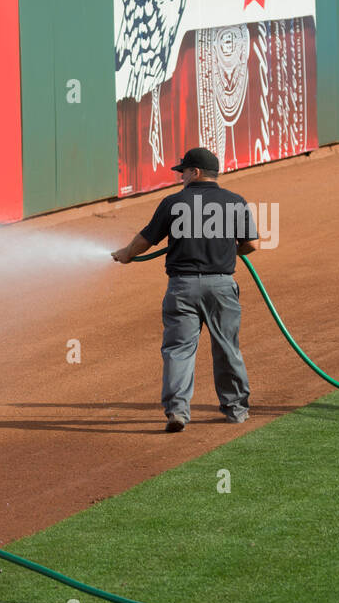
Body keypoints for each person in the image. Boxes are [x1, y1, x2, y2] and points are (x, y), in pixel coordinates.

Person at [110, 147, 258, 432]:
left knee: (178, 350)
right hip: (221, 287)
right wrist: (227, 251)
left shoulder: (173, 203)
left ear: (196, 172)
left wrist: (126, 254)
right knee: (227, 347)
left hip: (182, 288)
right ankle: (236, 410)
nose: (182, 178)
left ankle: (177, 411)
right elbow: (251, 244)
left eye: (184, 172)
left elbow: (146, 239)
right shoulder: (235, 202)